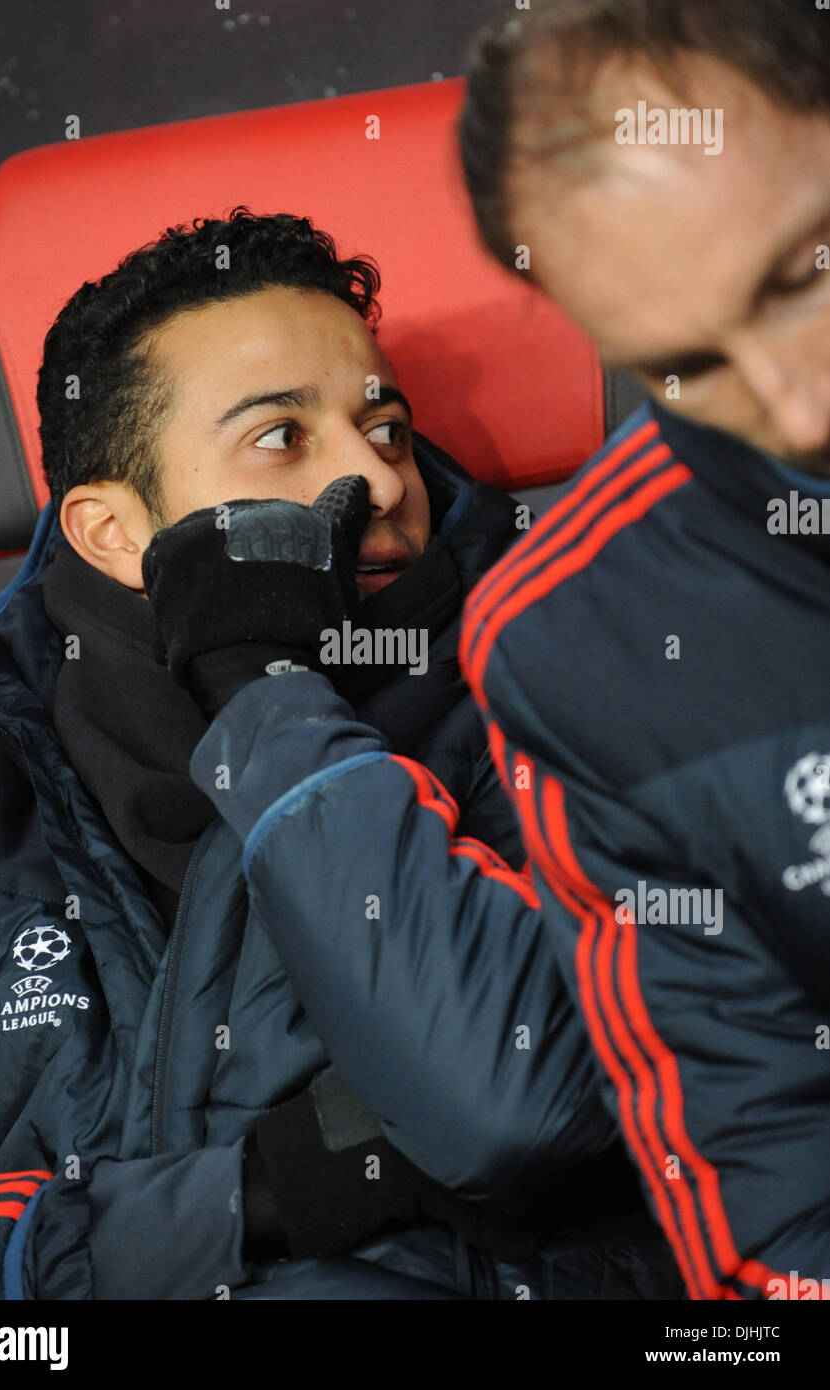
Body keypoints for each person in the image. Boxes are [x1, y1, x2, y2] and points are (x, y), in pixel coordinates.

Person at [0, 208, 680, 1300]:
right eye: (282, 436)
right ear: (111, 532)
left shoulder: (573, 706)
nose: (372, 482)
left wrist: (262, 691)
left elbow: (511, 1104)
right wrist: (252, 1199)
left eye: (387, 430)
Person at [458, 0, 830, 1299]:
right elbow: (771, 1192)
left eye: (807, 271)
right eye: (685, 364)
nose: (795, 407)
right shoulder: (574, 647)